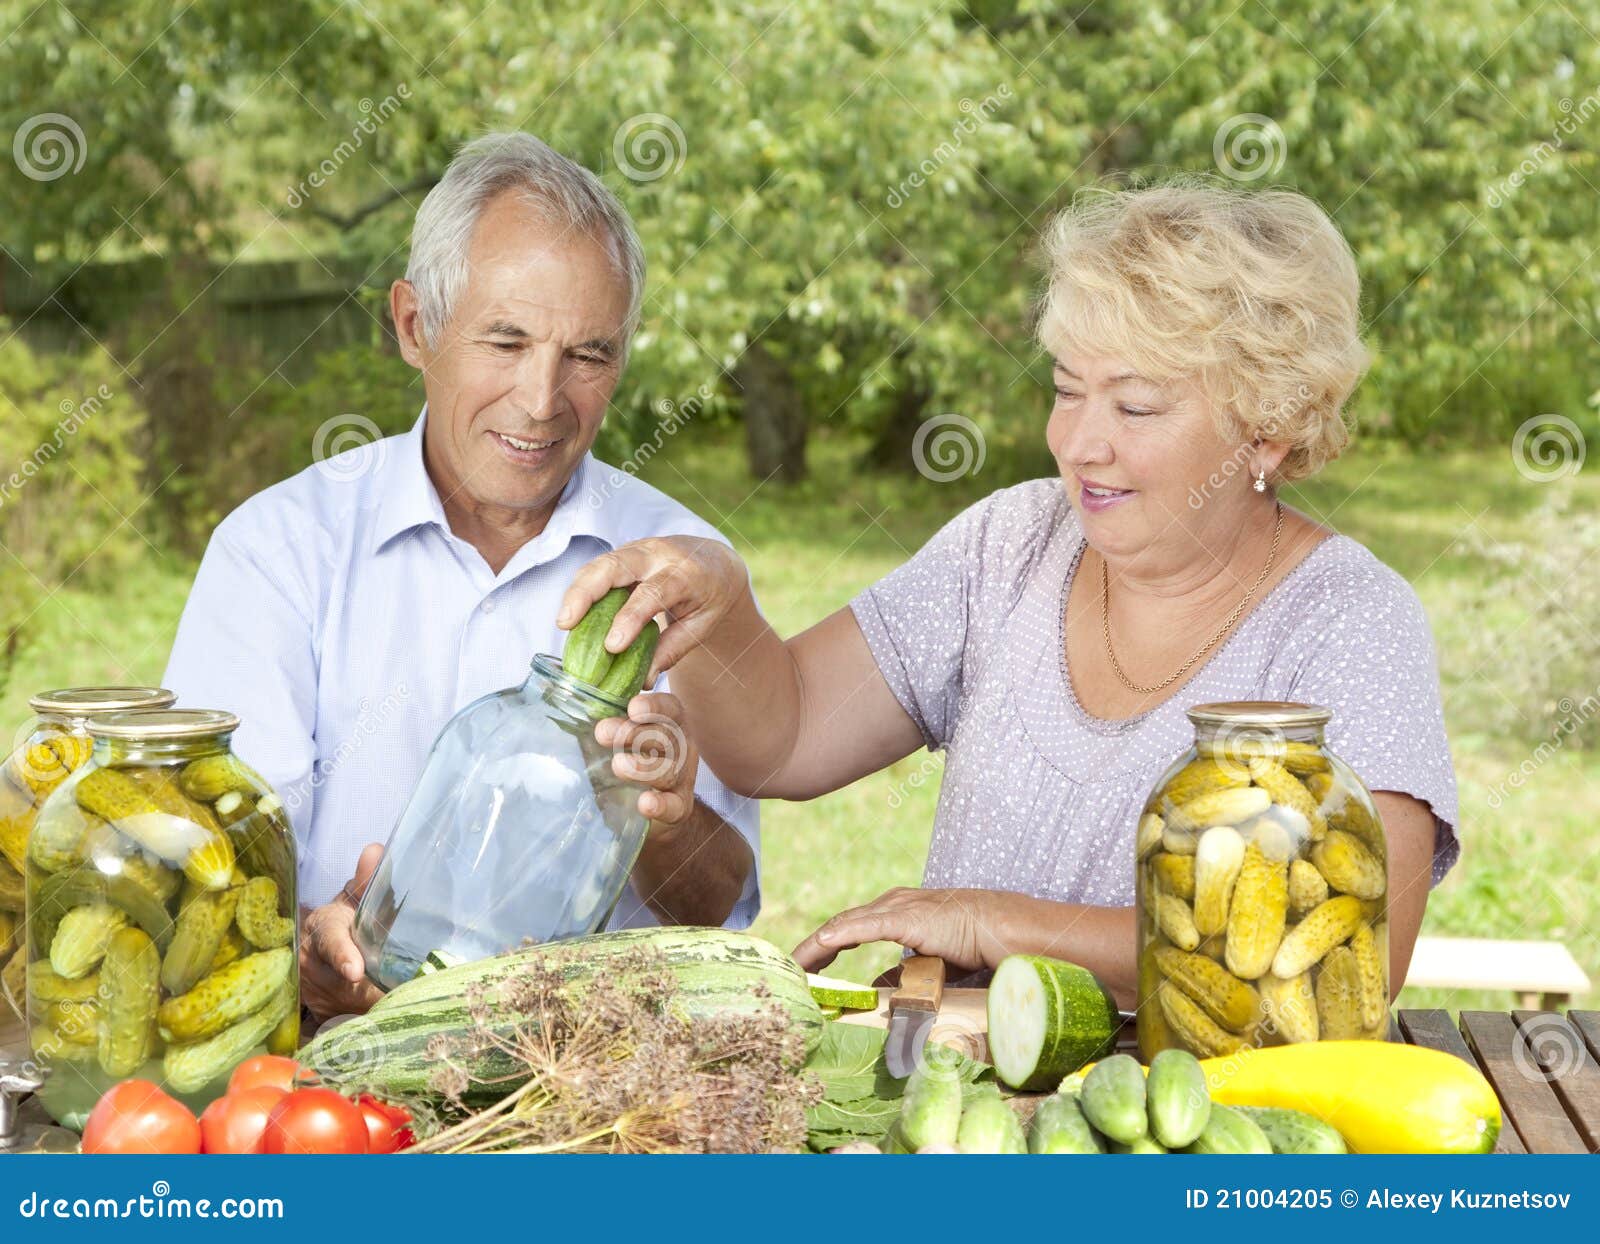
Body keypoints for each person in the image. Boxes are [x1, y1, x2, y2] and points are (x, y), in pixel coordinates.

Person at [557, 180, 1458, 1005]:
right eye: (1069, 391)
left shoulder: (1348, 621)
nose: (1079, 443)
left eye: (1135, 407)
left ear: (1266, 428)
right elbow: (782, 738)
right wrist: (723, 608)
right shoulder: (1014, 541)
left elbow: (1353, 962)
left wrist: (997, 924)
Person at [164, 132, 759, 1020]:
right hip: (324, 1071)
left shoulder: (683, 567)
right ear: (416, 327)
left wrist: (657, 819)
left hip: (588, 1087)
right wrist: (304, 952)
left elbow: (722, 909)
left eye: (588, 355)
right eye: (506, 341)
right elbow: (205, 880)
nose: (541, 399)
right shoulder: (279, 551)